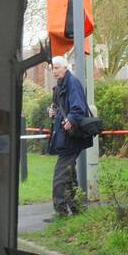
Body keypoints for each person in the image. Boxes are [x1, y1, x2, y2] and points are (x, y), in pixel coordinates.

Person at [47, 55, 90, 217]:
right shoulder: (60, 86)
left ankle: (61, 211)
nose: (54, 71)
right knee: (69, 174)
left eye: (57, 67)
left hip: (71, 137)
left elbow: (78, 108)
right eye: (53, 68)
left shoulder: (72, 83)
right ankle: (78, 208)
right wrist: (52, 111)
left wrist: (71, 119)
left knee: (60, 175)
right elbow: (59, 108)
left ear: (66, 68)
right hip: (65, 137)